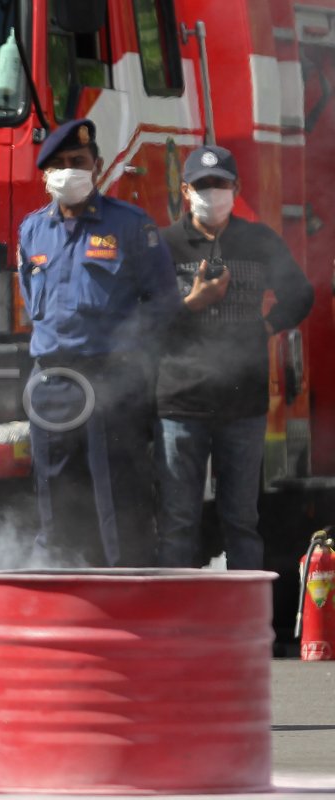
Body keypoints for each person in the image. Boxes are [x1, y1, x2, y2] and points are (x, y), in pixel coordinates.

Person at [16, 118, 180, 567]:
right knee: (55, 494)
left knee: (119, 497)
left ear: (98, 166)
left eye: (79, 162)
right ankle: (67, 596)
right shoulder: (32, 230)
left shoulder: (131, 225)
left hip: (113, 379)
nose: (69, 171)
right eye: (59, 164)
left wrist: (130, 359)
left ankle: (129, 600)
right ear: (44, 174)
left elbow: (164, 302)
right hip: (52, 381)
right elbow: (32, 299)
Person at [154, 144, 314, 569]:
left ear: (236, 189)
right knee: (177, 520)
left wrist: (265, 327)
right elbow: (141, 315)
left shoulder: (258, 240)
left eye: (220, 184)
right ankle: (173, 623)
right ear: (185, 190)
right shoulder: (164, 245)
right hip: (180, 402)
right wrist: (191, 302)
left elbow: (300, 293)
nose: (212, 193)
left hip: (243, 402)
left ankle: (248, 626)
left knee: (242, 520)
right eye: (202, 185)